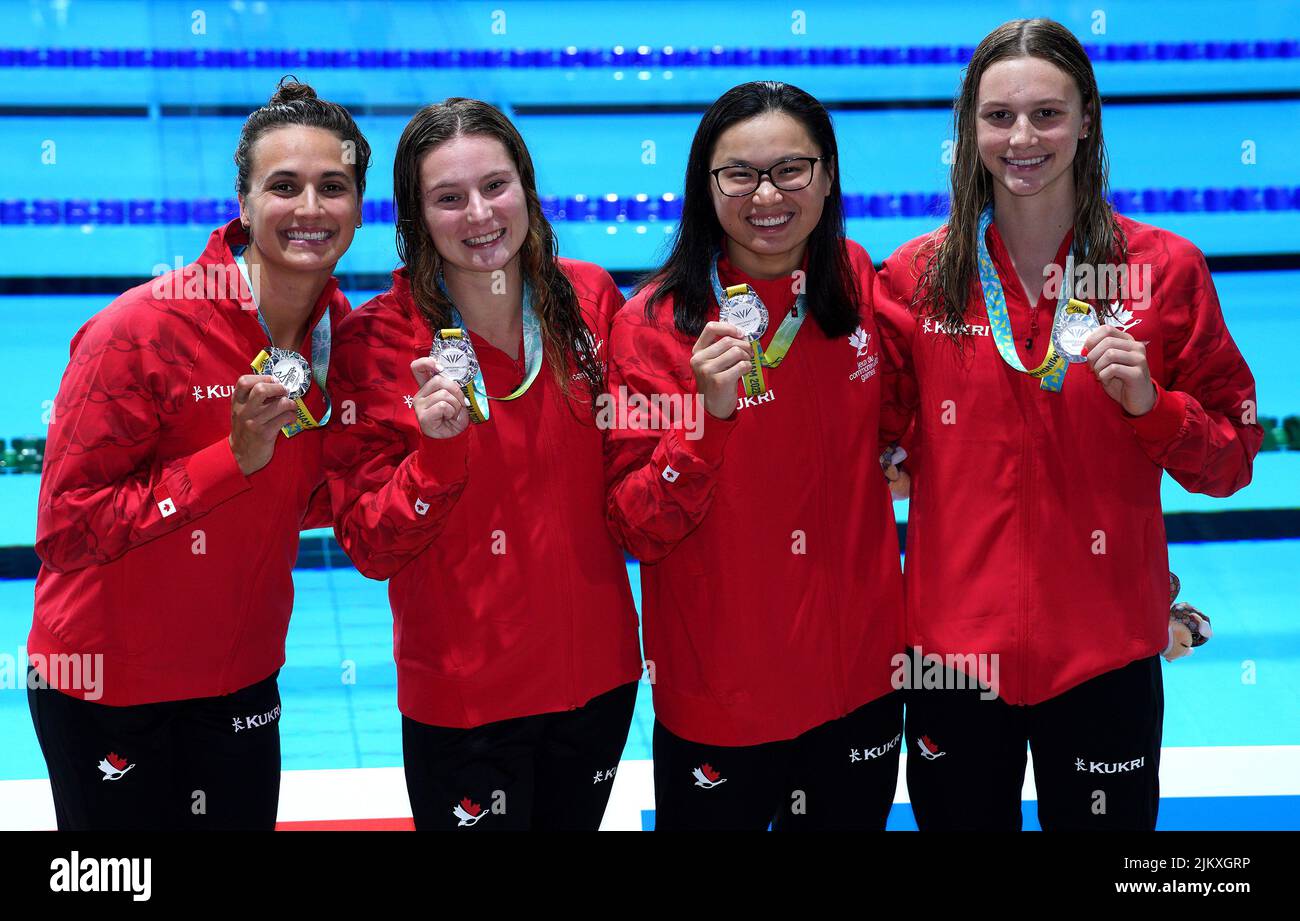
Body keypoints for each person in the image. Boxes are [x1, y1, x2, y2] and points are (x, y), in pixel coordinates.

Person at [874, 18, 1262, 831]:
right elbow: (873, 440)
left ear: (1088, 116)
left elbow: (1231, 461)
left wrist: (1156, 411)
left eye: (1047, 113)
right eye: (998, 116)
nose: (1022, 137)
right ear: (969, 127)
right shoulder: (915, 278)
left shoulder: (1164, 271)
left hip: (1105, 655)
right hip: (955, 658)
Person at [28, 79, 368, 830]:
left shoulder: (347, 342)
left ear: (359, 207)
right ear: (243, 204)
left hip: (241, 680)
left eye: (332, 187)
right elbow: (66, 527)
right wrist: (229, 459)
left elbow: (312, 493)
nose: (310, 208)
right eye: (284, 186)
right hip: (107, 689)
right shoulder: (141, 331)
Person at [323, 98, 641, 831]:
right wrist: (434, 460)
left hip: (597, 681)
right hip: (466, 700)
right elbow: (368, 544)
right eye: (448, 197)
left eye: (495, 186)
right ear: (416, 218)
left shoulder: (587, 299)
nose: (479, 214)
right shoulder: (376, 342)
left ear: (526, 187)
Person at [605, 81, 905, 831]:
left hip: (859, 682)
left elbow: (921, 422)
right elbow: (636, 525)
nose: (766, 194)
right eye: (739, 173)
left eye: (791, 169)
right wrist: (706, 420)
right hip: (722, 698)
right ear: (705, 186)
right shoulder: (652, 326)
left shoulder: (855, 281)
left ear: (828, 175)